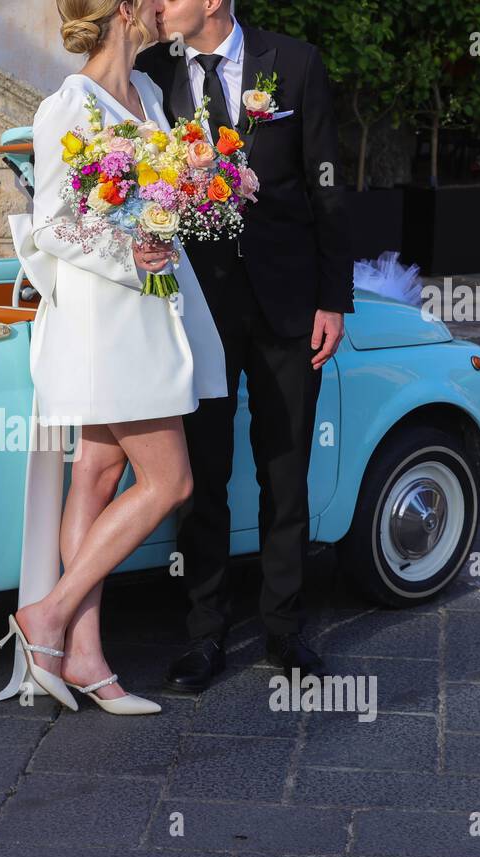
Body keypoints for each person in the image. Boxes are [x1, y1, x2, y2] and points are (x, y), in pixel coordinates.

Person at [0, 0, 227, 715]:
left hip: (147, 310)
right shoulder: (66, 105)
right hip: (105, 320)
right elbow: (55, 223)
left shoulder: (149, 92)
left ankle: (85, 655)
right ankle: (49, 614)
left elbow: (150, 199)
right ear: (125, 9)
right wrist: (131, 247)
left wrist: (188, 192)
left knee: (97, 473)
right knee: (173, 480)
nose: (162, 7)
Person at [135, 0, 354, 691]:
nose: (156, 6)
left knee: (283, 469)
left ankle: (285, 628)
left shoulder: (295, 63)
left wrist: (332, 298)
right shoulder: (149, 74)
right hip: (197, 309)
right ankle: (204, 634)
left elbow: (328, 182)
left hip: (290, 302)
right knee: (201, 473)